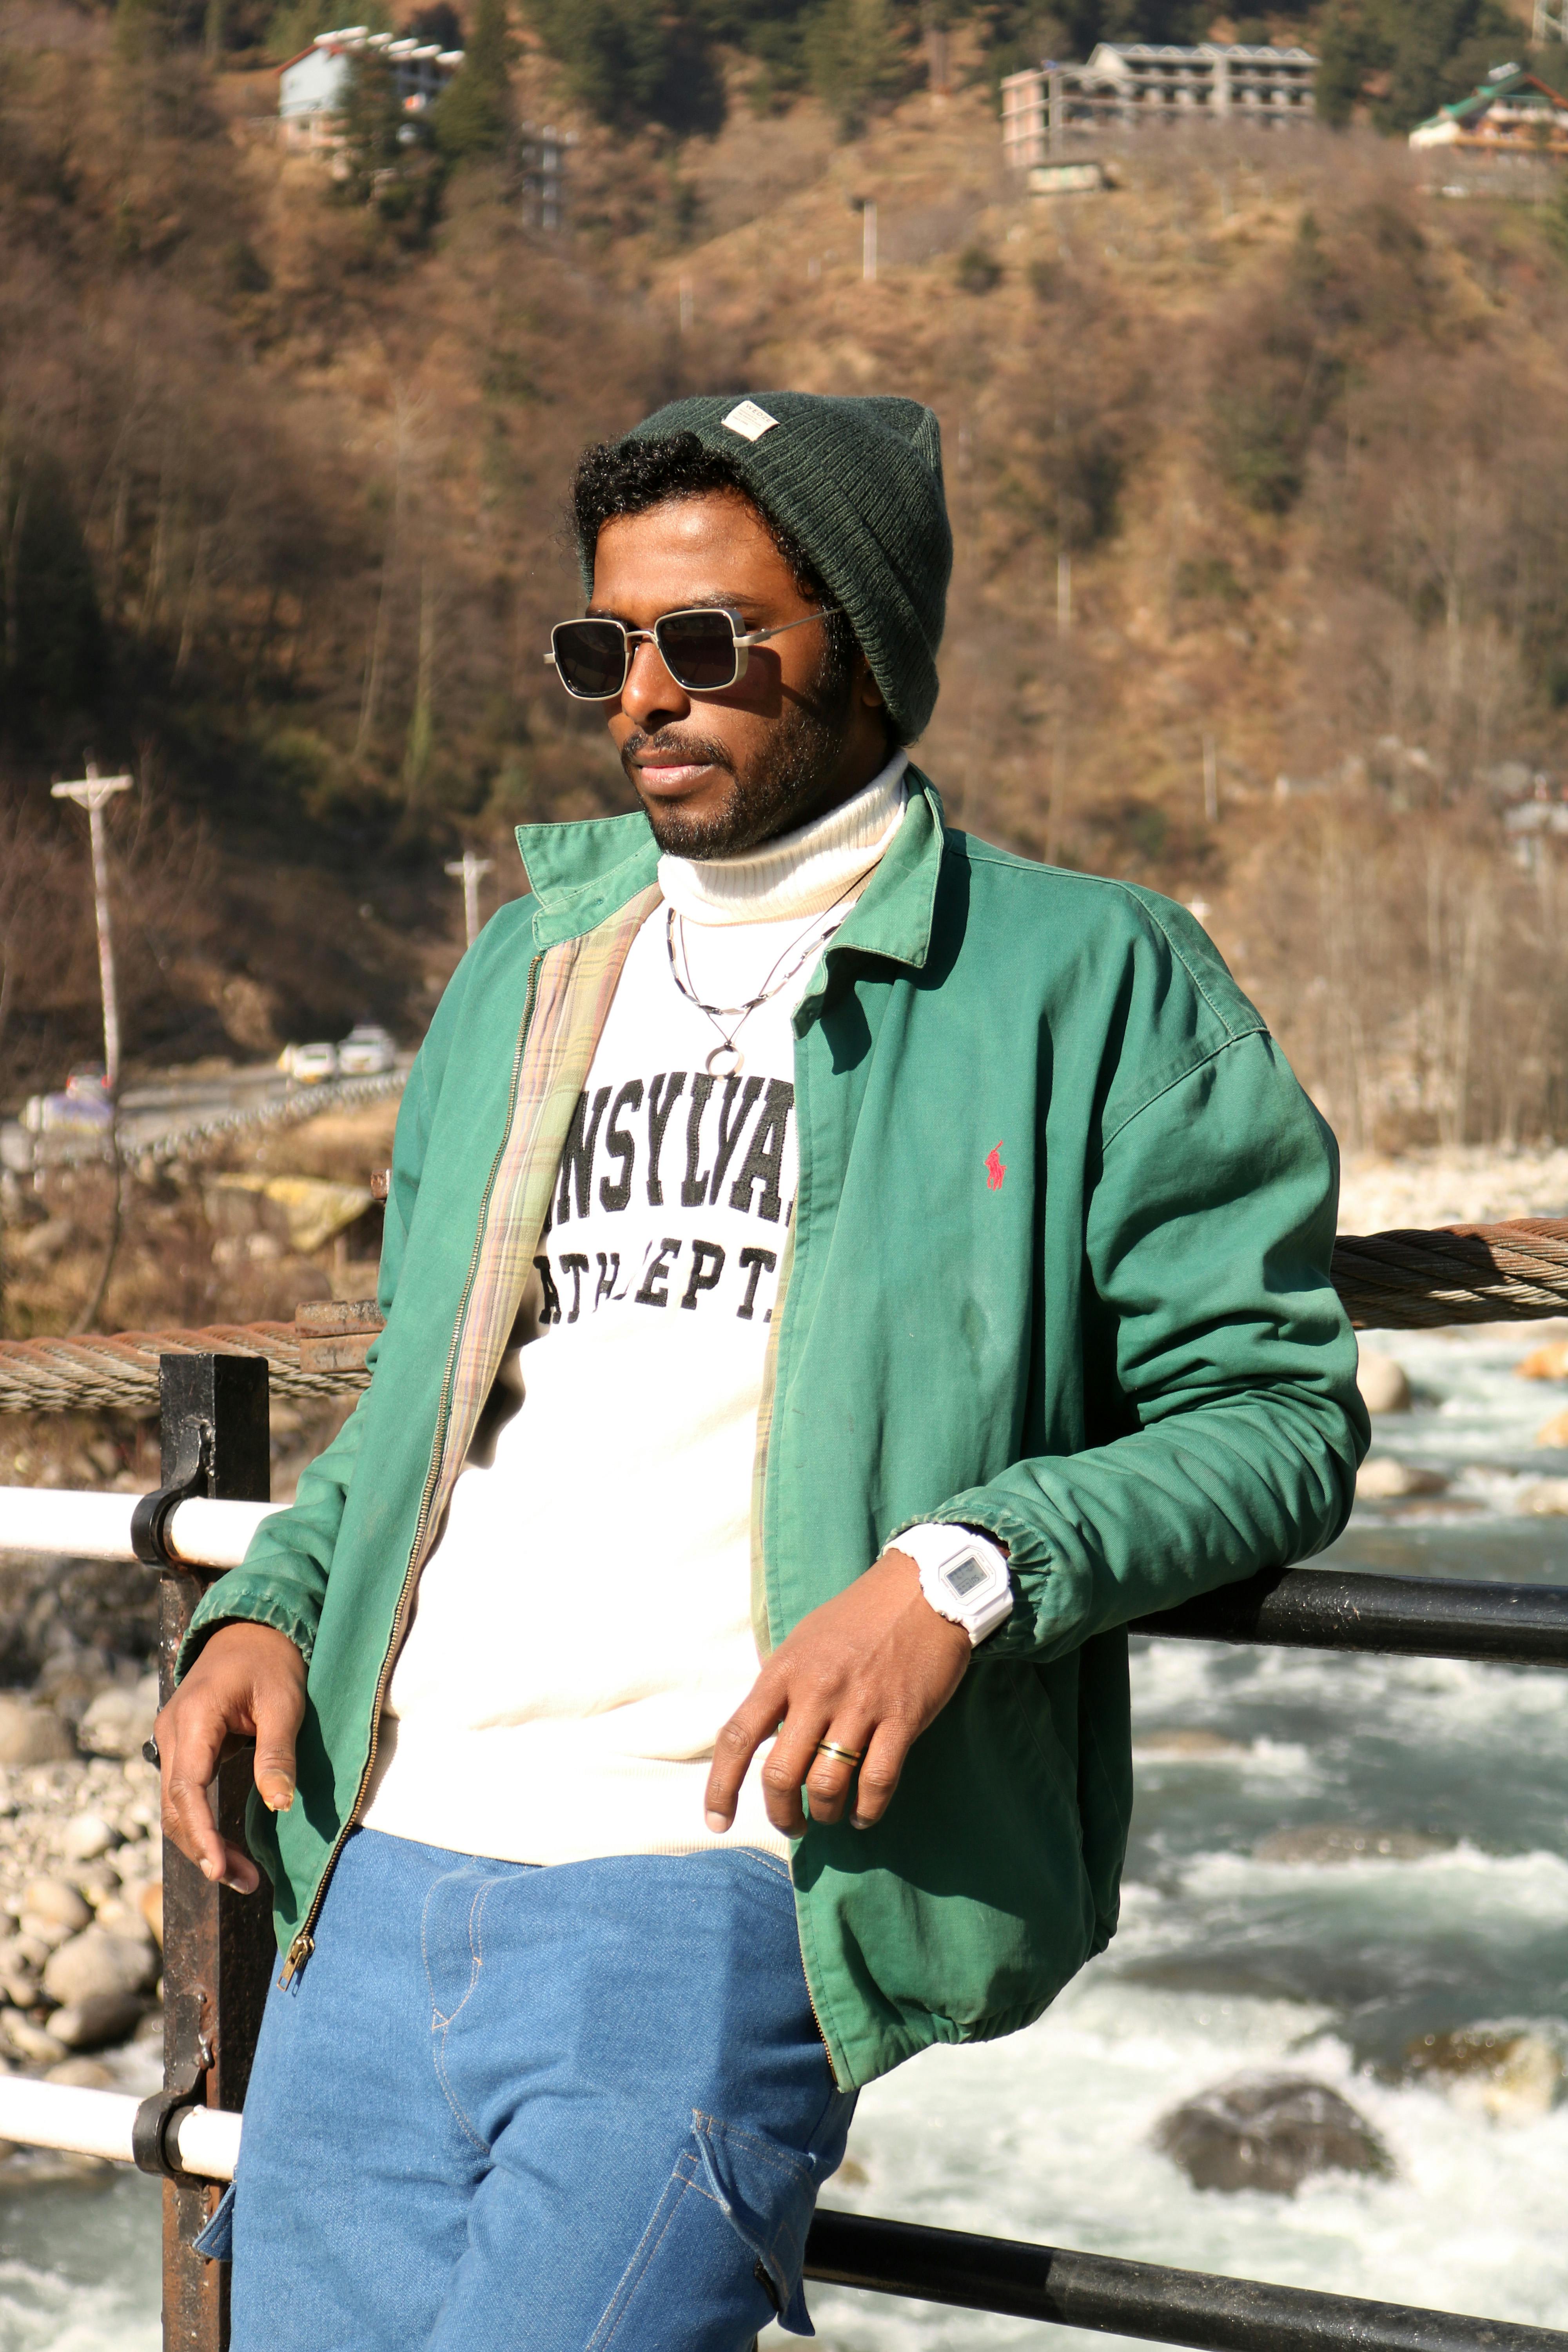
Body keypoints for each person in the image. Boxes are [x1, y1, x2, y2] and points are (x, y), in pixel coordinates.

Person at [156, 390, 1367, 2352]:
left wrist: (961, 1573)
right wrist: (276, 1598)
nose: (644, 694)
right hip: (372, 1870)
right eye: (603, 648)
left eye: (708, 641)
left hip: (710, 1888)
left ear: (863, 639)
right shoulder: (533, 972)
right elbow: (424, 1392)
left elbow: (1278, 1411)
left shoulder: (1091, 980)